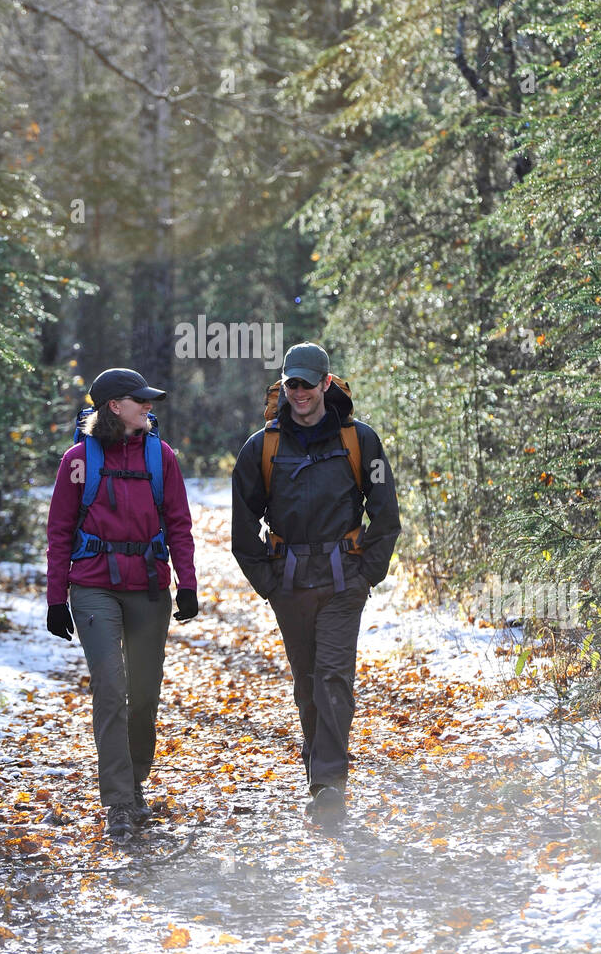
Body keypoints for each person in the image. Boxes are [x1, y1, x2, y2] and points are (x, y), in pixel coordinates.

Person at [231, 343, 401, 825]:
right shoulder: (260, 447)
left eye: (308, 383)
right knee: (306, 684)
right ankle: (318, 772)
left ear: (327, 383)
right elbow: (242, 527)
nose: (300, 392)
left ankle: (329, 784)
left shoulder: (360, 441)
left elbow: (386, 514)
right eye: (292, 384)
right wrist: (266, 580)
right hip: (289, 583)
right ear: (282, 385)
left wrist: (368, 571)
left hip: (344, 578)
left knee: (333, 678)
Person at [45, 368, 198, 843]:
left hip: (150, 587)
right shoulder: (78, 459)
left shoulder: (161, 456)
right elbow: (59, 532)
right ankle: (117, 801)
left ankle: (134, 782)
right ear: (115, 406)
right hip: (94, 587)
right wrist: (56, 599)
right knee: (110, 687)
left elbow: (178, 523)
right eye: (141, 400)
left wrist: (187, 585)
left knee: (144, 695)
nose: (149, 407)